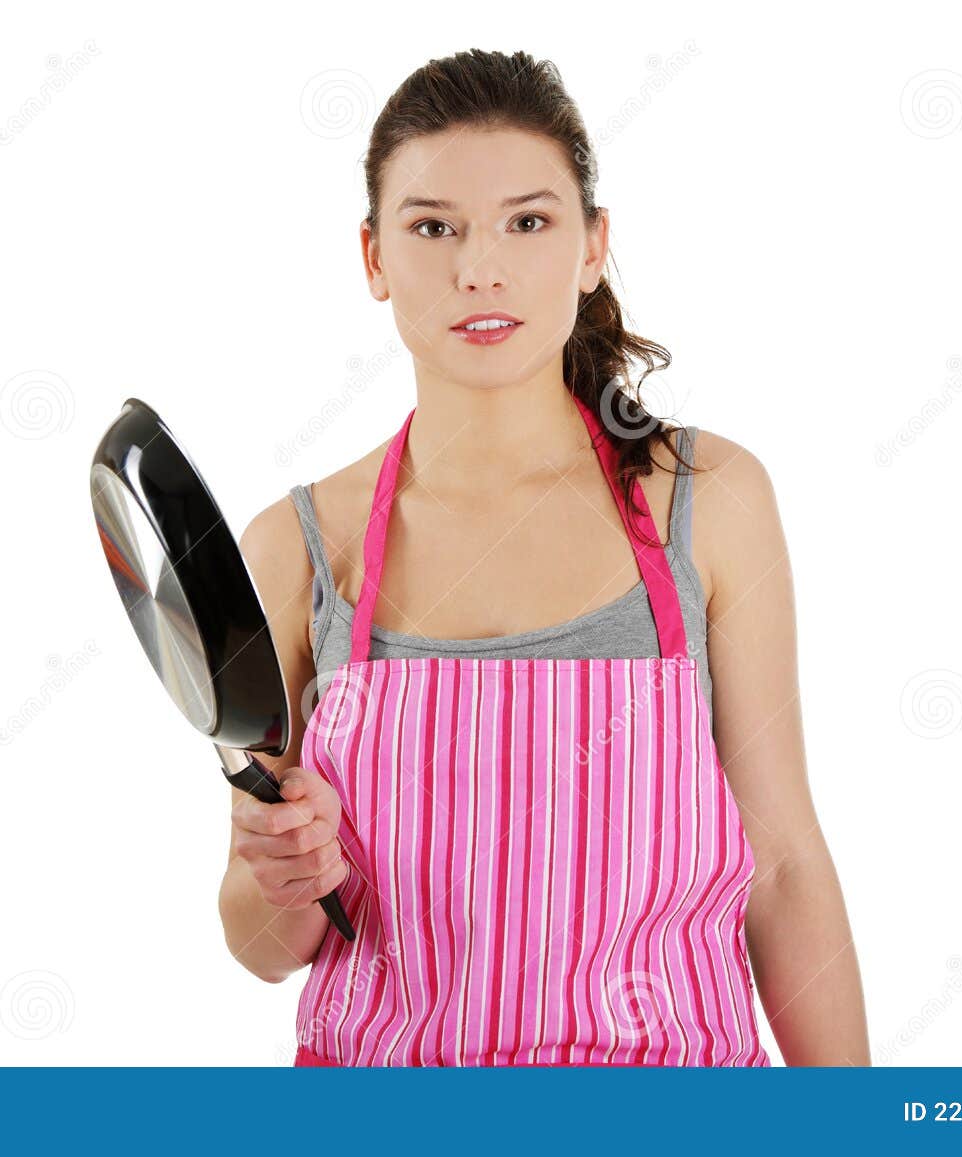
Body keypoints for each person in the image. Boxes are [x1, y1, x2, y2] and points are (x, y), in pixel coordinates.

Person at [219, 48, 867, 1066]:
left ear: (591, 245)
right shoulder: (299, 547)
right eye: (432, 226)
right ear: (373, 257)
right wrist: (281, 875)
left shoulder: (707, 501)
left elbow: (782, 867)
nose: (480, 267)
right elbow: (263, 945)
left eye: (529, 221)